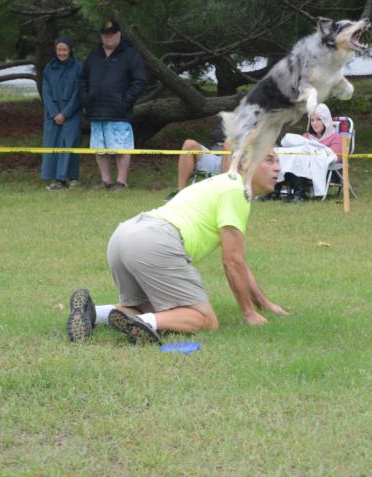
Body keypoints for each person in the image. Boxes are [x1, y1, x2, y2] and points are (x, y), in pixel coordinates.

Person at [66, 150, 289, 345]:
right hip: (154, 241)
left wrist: (264, 303)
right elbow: (233, 261)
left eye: (278, 161)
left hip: (124, 236)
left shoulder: (221, 183)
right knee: (205, 319)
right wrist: (249, 313)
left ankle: (93, 314)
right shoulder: (236, 190)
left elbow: (239, 262)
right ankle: (139, 323)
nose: (277, 167)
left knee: (155, 309)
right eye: (269, 160)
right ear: (245, 164)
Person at [79, 17, 147, 190]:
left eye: (111, 34)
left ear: (119, 34)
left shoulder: (130, 55)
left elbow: (139, 81)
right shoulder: (94, 56)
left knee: (121, 148)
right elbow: (82, 78)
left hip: (119, 112)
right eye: (105, 35)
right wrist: (85, 98)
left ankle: (121, 182)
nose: (108, 37)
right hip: (95, 110)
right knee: (99, 148)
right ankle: (106, 181)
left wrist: (125, 101)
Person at [274, 103, 342, 202]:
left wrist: (315, 152)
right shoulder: (306, 137)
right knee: (283, 154)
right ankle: (273, 191)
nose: (315, 123)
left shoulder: (336, 138)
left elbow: (336, 158)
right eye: (312, 120)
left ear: (326, 120)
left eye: (319, 119)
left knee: (301, 157)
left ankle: (300, 194)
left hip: (326, 171)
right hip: (302, 169)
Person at [40, 36, 83, 190]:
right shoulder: (49, 68)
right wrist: (54, 113)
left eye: (65, 49)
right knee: (53, 143)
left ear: (70, 50)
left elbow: (78, 93)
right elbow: (45, 91)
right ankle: (57, 180)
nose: (62, 53)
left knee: (69, 143)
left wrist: (65, 113)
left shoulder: (78, 67)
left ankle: (72, 178)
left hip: (71, 113)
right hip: (52, 113)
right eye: (59, 49)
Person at [166, 123, 231, 200]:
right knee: (189, 144)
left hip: (235, 161)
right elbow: (216, 134)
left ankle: (228, 192)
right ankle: (180, 193)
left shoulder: (246, 121)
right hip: (215, 157)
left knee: (229, 144)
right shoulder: (229, 117)